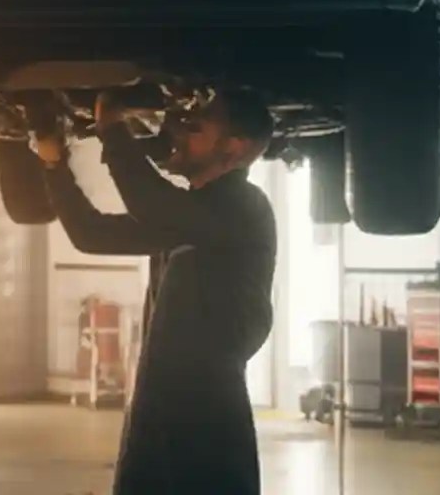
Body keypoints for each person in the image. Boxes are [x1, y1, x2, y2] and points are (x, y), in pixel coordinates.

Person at [35, 88, 278, 495]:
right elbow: (90, 234)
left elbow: (151, 203)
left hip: (206, 418)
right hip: (159, 406)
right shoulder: (188, 219)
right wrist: (53, 163)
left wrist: (113, 130)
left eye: (195, 127)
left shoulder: (243, 208)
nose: (179, 133)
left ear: (234, 148)